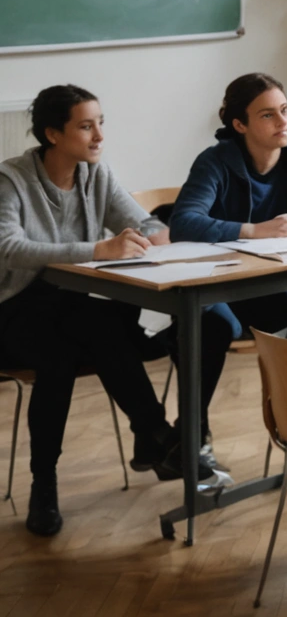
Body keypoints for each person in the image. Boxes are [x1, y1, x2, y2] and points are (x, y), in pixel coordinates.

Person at [0, 85, 218, 537]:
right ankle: (57, 479)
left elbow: (141, 220)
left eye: (101, 122)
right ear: (52, 134)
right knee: (62, 357)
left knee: (112, 322)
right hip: (13, 307)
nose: (99, 135)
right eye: (85, 125)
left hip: (68, 306)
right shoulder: (12, 178)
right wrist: (95, 248)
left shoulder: (95, 173)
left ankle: (153, 436)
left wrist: (156, 234)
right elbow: (8, 248)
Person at [168, 73, 287, 450]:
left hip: (261, 279)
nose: (284, 123)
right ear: (239, 125)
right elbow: (183, 222)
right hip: (211, 282)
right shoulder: (215, 161)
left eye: (284, 110)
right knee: (214, 328)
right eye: (268, 116)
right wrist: (252, 230)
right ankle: (193, 438)